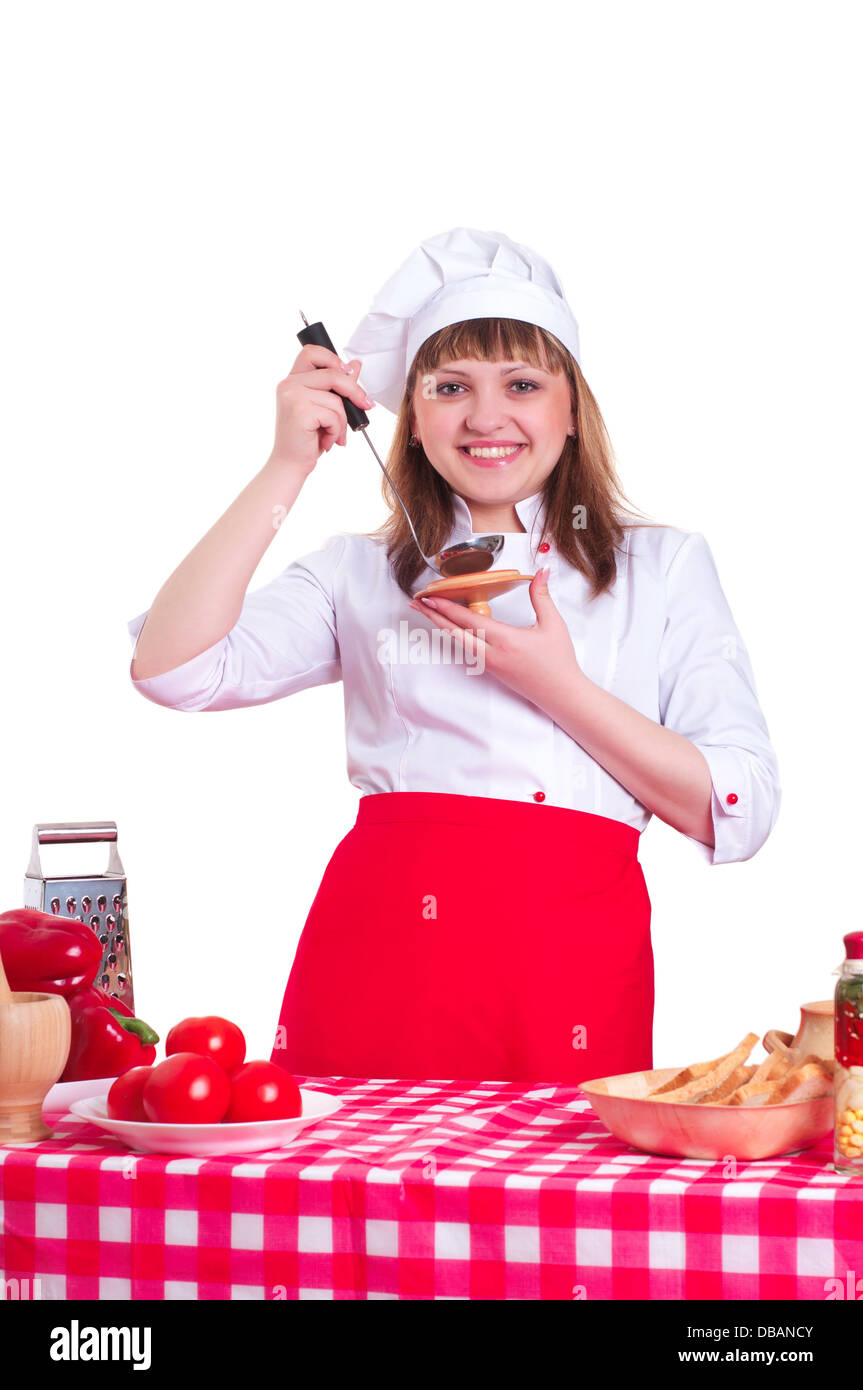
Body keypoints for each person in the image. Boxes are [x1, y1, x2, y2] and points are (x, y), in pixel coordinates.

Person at [126, 227, 780, 1085]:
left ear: (571, 409)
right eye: (449, 387)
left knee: (552, 1212)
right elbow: (173, 667)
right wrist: (287, 464)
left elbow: (739, 807)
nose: (485, 417)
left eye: (521, 384)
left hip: (568, 968)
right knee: (346, 1212)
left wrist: (554, 684)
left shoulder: (661, 567)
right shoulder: (359, 571)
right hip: (378, 956)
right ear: (412, 415)